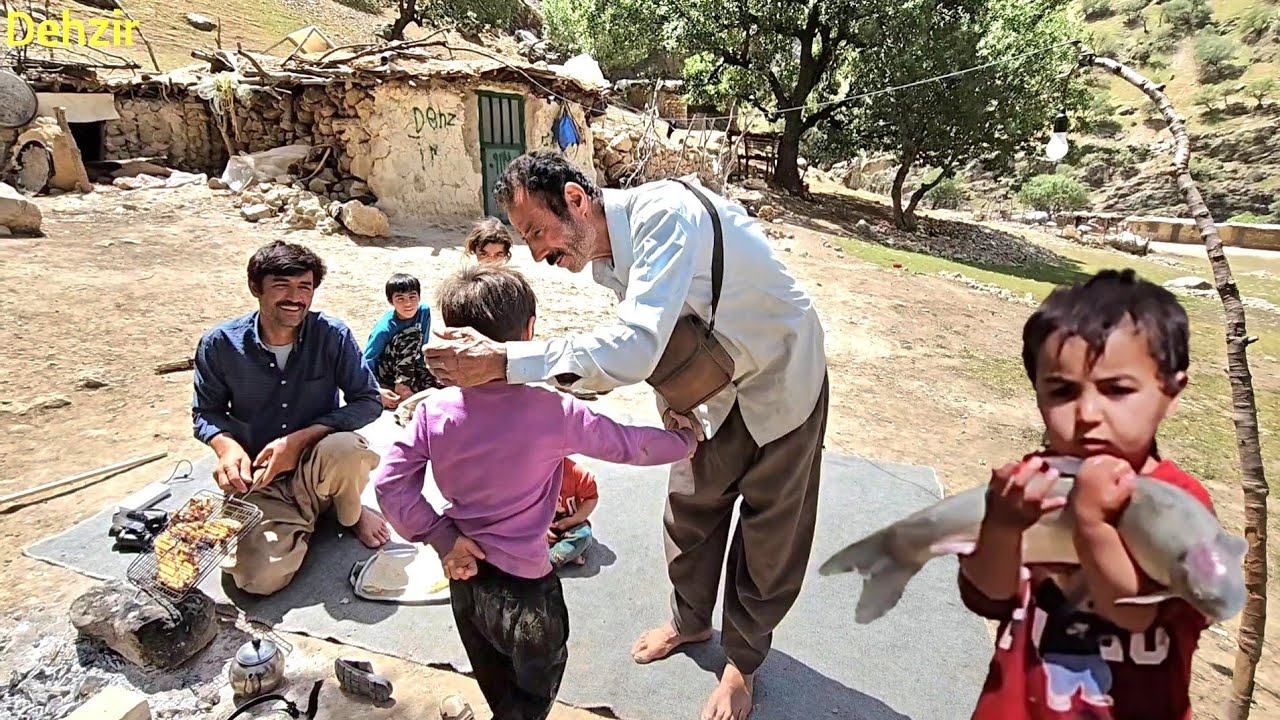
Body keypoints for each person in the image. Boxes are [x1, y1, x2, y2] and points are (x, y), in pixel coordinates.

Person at [424, 151, 829, 720]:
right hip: (708, 396)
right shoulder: (607, 258)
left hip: (781, 382)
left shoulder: (664, 216)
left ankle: (742, 663)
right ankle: (690, 622)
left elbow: (637, 344)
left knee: (769, 536)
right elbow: (667, 338)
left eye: (537, 232)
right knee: (690, 512)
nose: (537, 254)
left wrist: (505, 360)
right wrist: (672, 403)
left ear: (575, 200)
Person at [374, 265, 697, 720]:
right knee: (534, 688)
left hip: (465, 575)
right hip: (527, 589)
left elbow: (389, 484)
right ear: (529, 332)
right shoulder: (553, 411)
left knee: (493, 674)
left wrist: (440, 536)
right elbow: (631, 445)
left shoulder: (434, 410)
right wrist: (684, 440)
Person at [958, 269, 1215, 719]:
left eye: (1117, 390)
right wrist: (1001, 527)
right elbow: (990, 597)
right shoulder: (1034, 482)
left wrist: (1092, 524)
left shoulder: (1178, 502)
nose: (1088, 414)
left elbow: (1134, 614)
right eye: (1062, 391)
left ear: (1172, 392)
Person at [192, 240, 391, 596]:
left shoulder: (331, 335)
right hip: (261, 478)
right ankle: (320, 513)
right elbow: (206, 412)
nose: (295, 298)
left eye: (304, 287)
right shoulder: (220, 345)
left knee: (347, 449)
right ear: (255, 287)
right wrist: (226, 448)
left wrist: (300, 440)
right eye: (281, 286)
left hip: (319, 465)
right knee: (257, 581)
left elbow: (368, 400)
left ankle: (348, 513)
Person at [363, 273, 440, 410]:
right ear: (391, 301)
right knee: (413, 334)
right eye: (400, 299)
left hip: (411, 365)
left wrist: (426, 373)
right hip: (388, 372)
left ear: (419, 297)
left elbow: (422, 346)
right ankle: (402, 387)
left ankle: (410, 384)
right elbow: (368, 360)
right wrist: (377, 390)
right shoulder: (384, 328)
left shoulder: (423, 312)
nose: (408, 303)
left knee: (440, 385)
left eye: (412, 297)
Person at [548, 458, 598, 569]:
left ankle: (548, 561)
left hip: (571, 528)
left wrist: (573, 520)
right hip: (538, 531)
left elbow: (591, 497)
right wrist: (541, 530)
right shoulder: (530, 475)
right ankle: (568, 555)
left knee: (584, 534)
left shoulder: (575, 471)